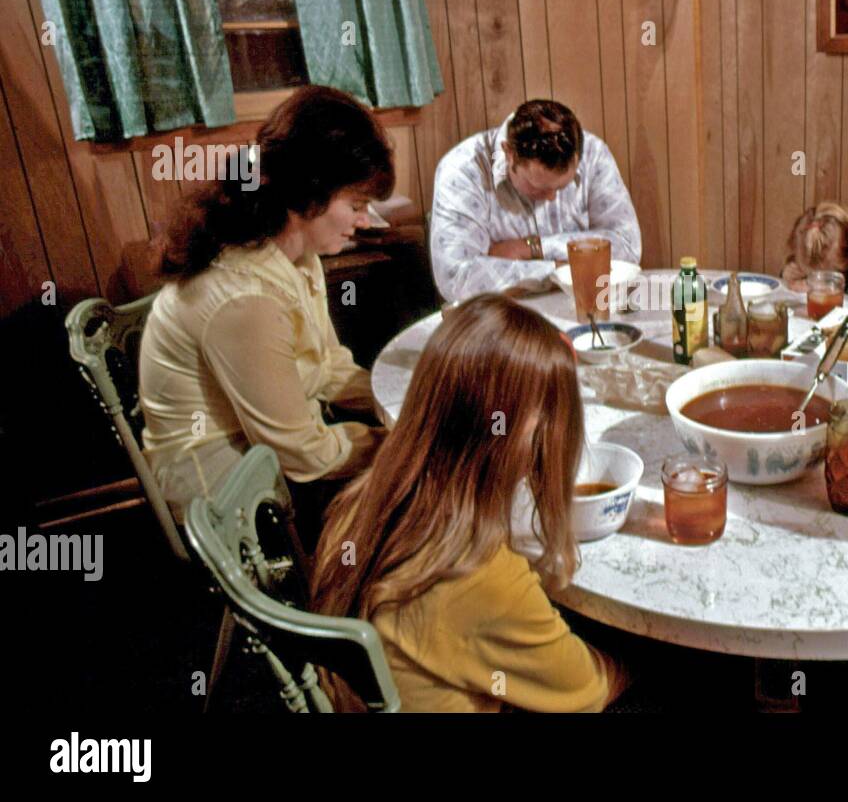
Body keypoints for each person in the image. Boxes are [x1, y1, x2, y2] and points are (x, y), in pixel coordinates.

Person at [310, 294, 631, 712]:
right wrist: (645, 657)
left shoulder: (358, 503)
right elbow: (586, 691)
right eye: (547, 413)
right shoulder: (480, 573)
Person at [139, 86, 391, 516]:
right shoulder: (244, 296)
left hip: (270, 450)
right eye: (356, 204)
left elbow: (327, 366)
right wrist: (403, 443)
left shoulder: (297, 255)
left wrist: (405, 400)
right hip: (226, 492)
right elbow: (302, 453)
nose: (365, 220)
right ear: (310, 193)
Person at [429, 99, 641, 302]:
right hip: (503, 316)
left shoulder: (593, 154)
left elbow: (628, 247)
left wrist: (530, 248)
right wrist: (562, 269)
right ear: (509, 154)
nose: (552, 197)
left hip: (583, 306)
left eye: (562, 187)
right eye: (539, 188)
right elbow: (455, 278)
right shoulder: (462, 170)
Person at [779, 201, 848, 302]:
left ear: (845, 258)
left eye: (824, 276)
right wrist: (787, 274)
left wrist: (834, 286)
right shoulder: (809, 250)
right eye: (810, 273)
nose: (817, 278)